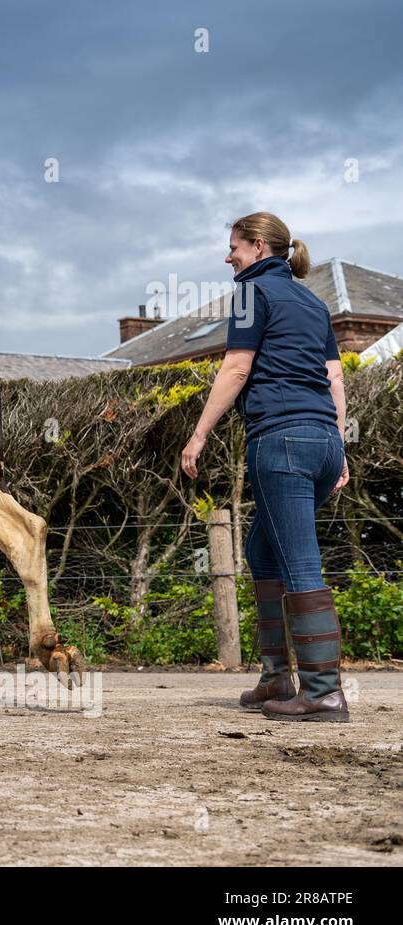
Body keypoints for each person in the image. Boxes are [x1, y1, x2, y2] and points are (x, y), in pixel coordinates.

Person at [180, 212, 350, 722]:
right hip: (322, 442)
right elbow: (335, 378)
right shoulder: (313, 302)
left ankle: (323, 691)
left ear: (257, 247)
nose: (227, 256)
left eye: (233, 246)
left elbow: (236, 367)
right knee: (261, 547)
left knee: (299, 561)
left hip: (281, 442)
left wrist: (199, 433)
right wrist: (339, 447)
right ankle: (277, 677)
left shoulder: (252, 295)